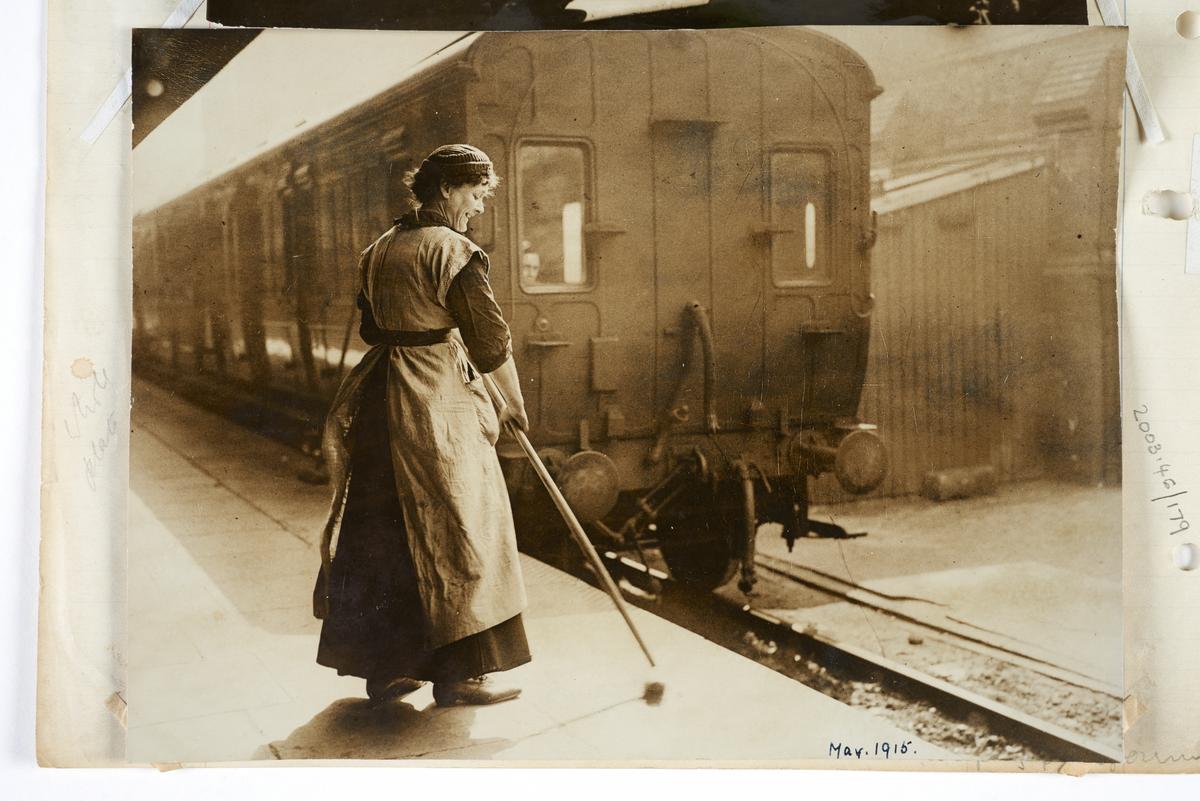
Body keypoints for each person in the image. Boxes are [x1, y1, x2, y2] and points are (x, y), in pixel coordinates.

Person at [313, 144, 531, 707]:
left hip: (382, 401)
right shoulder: (455, 251)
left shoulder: (379, 249)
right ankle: (459, 676)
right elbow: (490, 340)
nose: (479, 207)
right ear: (448, 190)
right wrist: (513, 401)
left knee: (381, 534)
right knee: (459, 525)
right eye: (477, 193)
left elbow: (369, 329)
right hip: (435, 405)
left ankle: (385, 670)